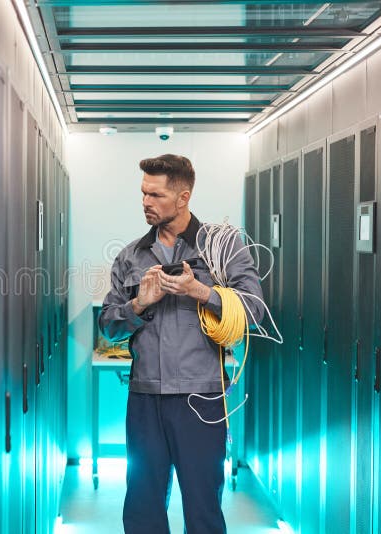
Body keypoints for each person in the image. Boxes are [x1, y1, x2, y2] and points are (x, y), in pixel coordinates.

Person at [98, 154, 265, 533]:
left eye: (155, 195)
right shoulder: (131, 256)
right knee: (141, 508)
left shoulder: (222, 249)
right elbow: (108, 326)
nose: (145, 202)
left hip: (201, 399)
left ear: (183, 197)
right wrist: (139, 304)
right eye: (143, 193)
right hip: (145, 400)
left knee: (203, 509)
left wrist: (201, 291)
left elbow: (254, 309)